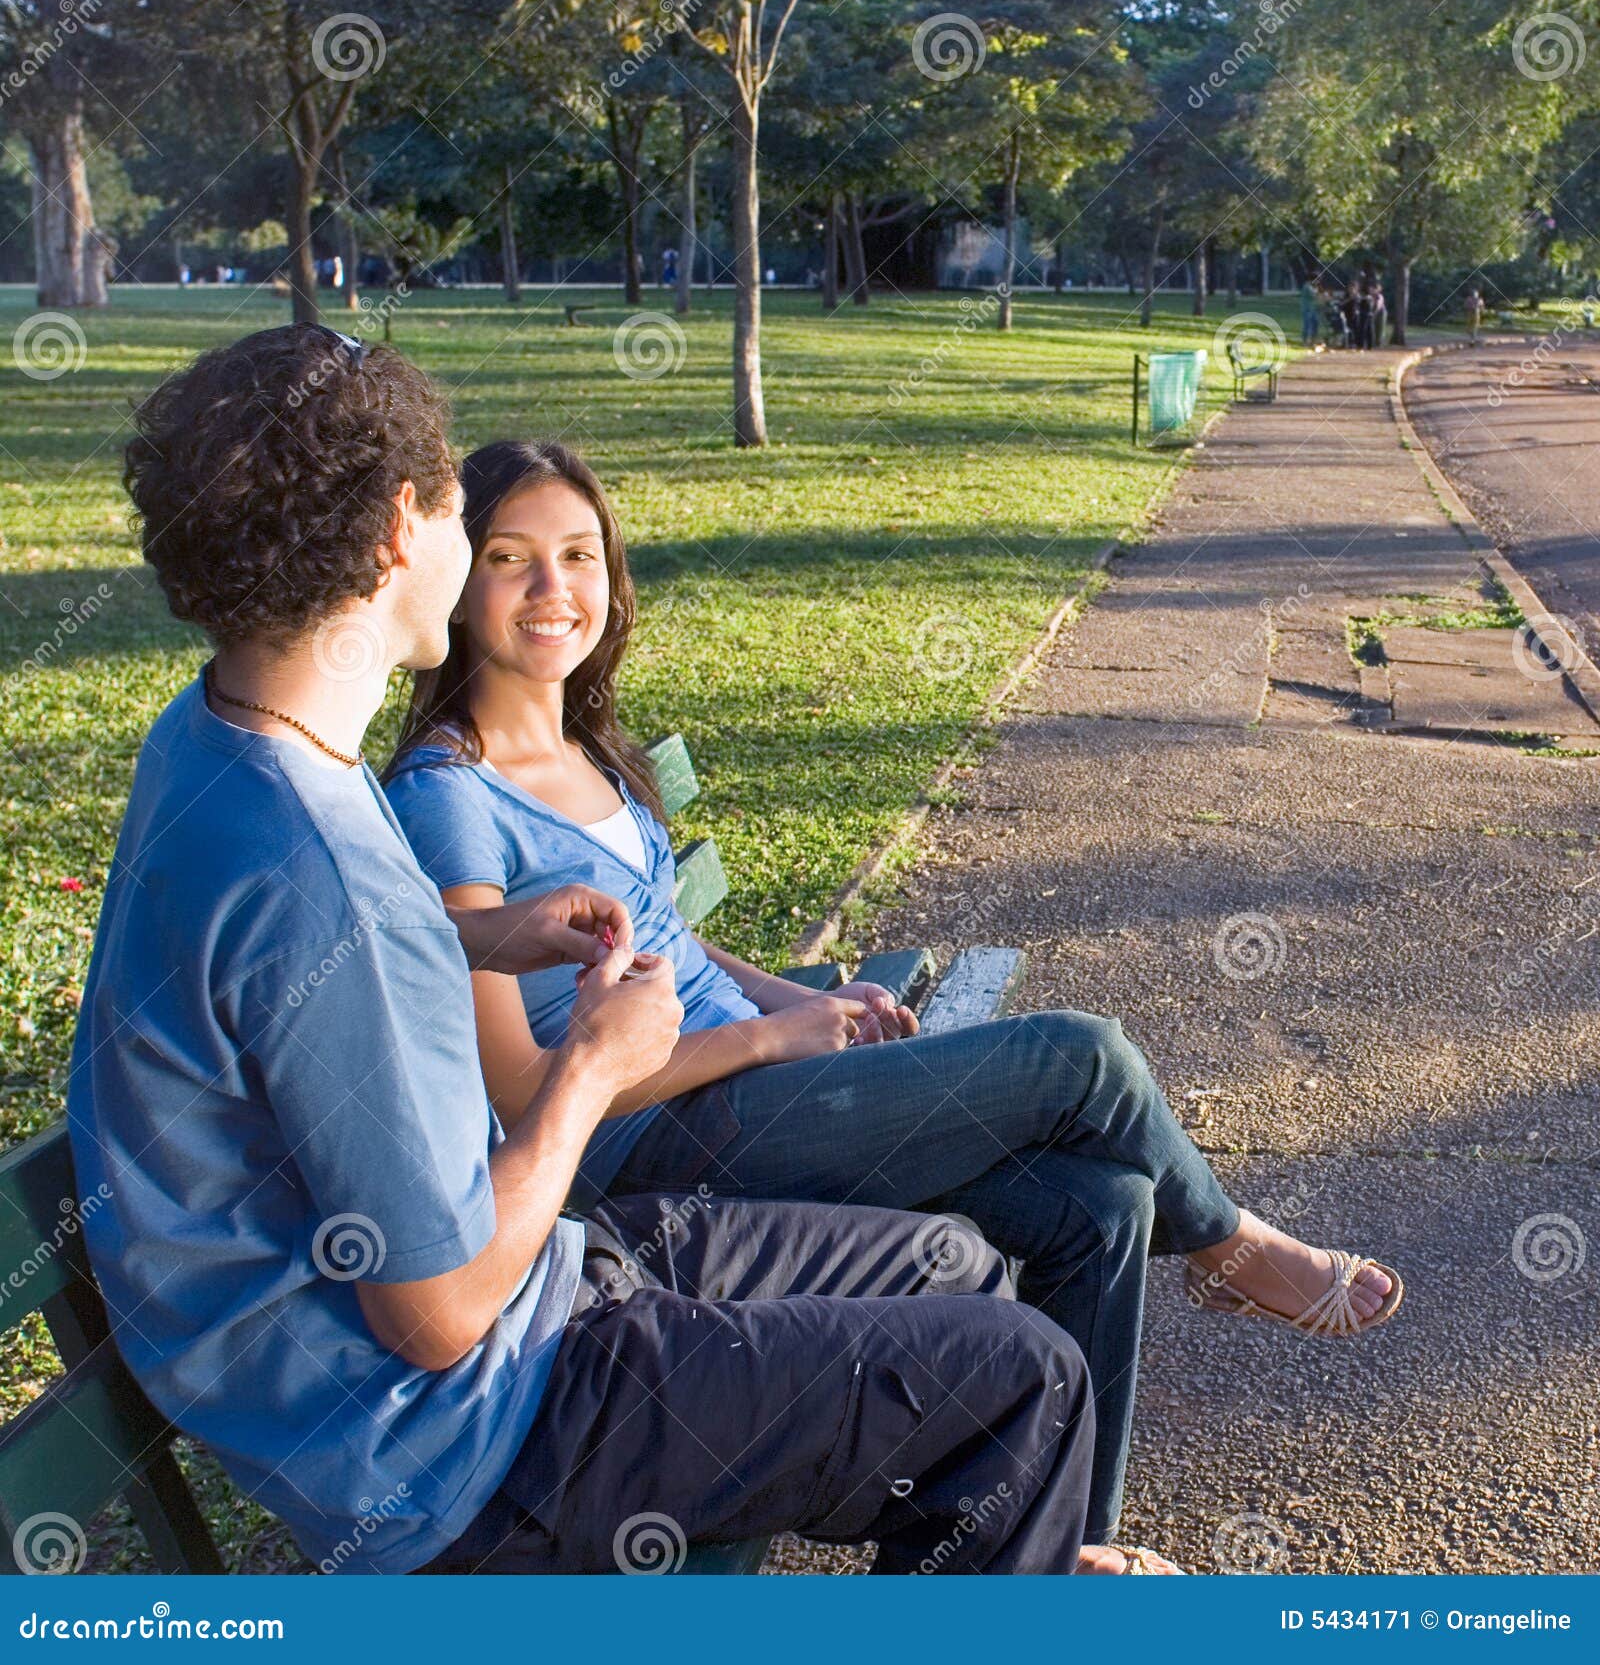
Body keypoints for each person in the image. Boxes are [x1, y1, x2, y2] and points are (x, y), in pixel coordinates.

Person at [65, 324, 1113, 1579]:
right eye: (460, 498)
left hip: (502, 1306)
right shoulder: (327, 877)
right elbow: (441, 1316)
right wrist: (591, 1073)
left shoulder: (220, 737)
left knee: (953, 1264)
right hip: (460, 1449)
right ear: (406, 527)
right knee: (1025, 1379)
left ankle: (1023, 1569)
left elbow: (283, 977)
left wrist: (477, 930)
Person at [382, 439, 1409, 1556]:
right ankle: (1227, 1247)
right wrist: (776, 1038)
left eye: (578, 556)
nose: (553, 590)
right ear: (454, 574)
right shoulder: (451, 797)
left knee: (1103, 1206)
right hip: (650, 1150)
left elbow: (675, 944)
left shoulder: (584, 745)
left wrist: (808, 1001)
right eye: (510, 557)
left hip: (750, 1096)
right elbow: (529, 1090)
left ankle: (1062, 1542)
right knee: (1084, 1055)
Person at [1300, 274, 1320, 346]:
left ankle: (1313, 341)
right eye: (1317, 280)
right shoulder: (1307, 286)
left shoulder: (1311, 287)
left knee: (1315, 323)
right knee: (1307, 325)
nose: (1318, 282)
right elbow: (1314, 295)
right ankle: (1305, 342)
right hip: (1307, 309)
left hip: (1313, 309)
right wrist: (1317, 289)